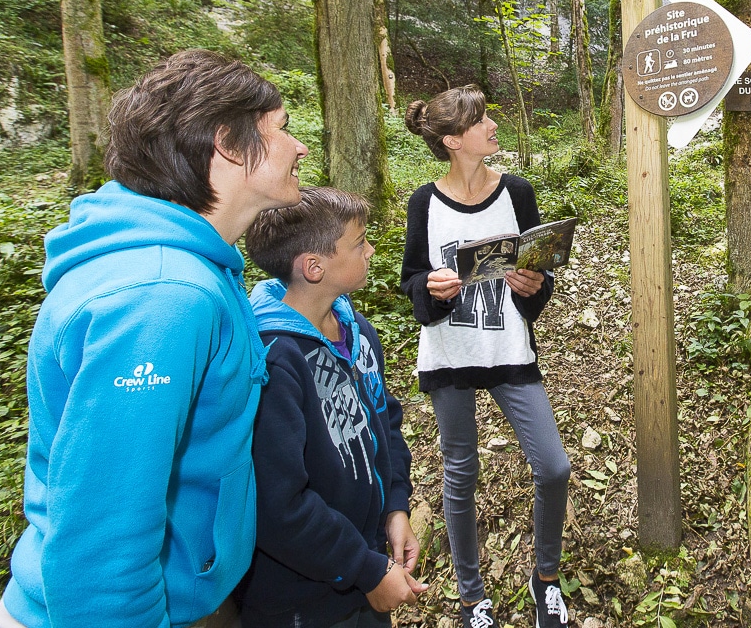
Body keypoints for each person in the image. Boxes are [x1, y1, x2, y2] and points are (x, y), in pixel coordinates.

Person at [0, 50, 310, 628]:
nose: (298, 147)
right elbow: (103, 541)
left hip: (188, 595)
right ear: (229, 145)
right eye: (281, 129)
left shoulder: (194, 267)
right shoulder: (160, 298)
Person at [401, 86, 572, 628]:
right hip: (449, 354)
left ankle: (545, 579)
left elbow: (539, 277)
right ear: (454, 140)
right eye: (480, 121)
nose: (492, 125)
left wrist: (530, 284)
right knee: (460, 472)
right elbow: (411, 283)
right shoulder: (424, 203)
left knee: (553, 468)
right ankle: (471, 596)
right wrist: (432, 289)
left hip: (508, 349)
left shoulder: (516, 192)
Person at [236, 187, 427, 627]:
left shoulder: (353, 327)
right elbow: (278, 504)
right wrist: (365, 568)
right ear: (314, 266)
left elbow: (386, 418)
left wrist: (396, 507)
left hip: (367, 568)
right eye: (359, 242)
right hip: (304, 601)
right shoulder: (273, 361)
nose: (371, 249)